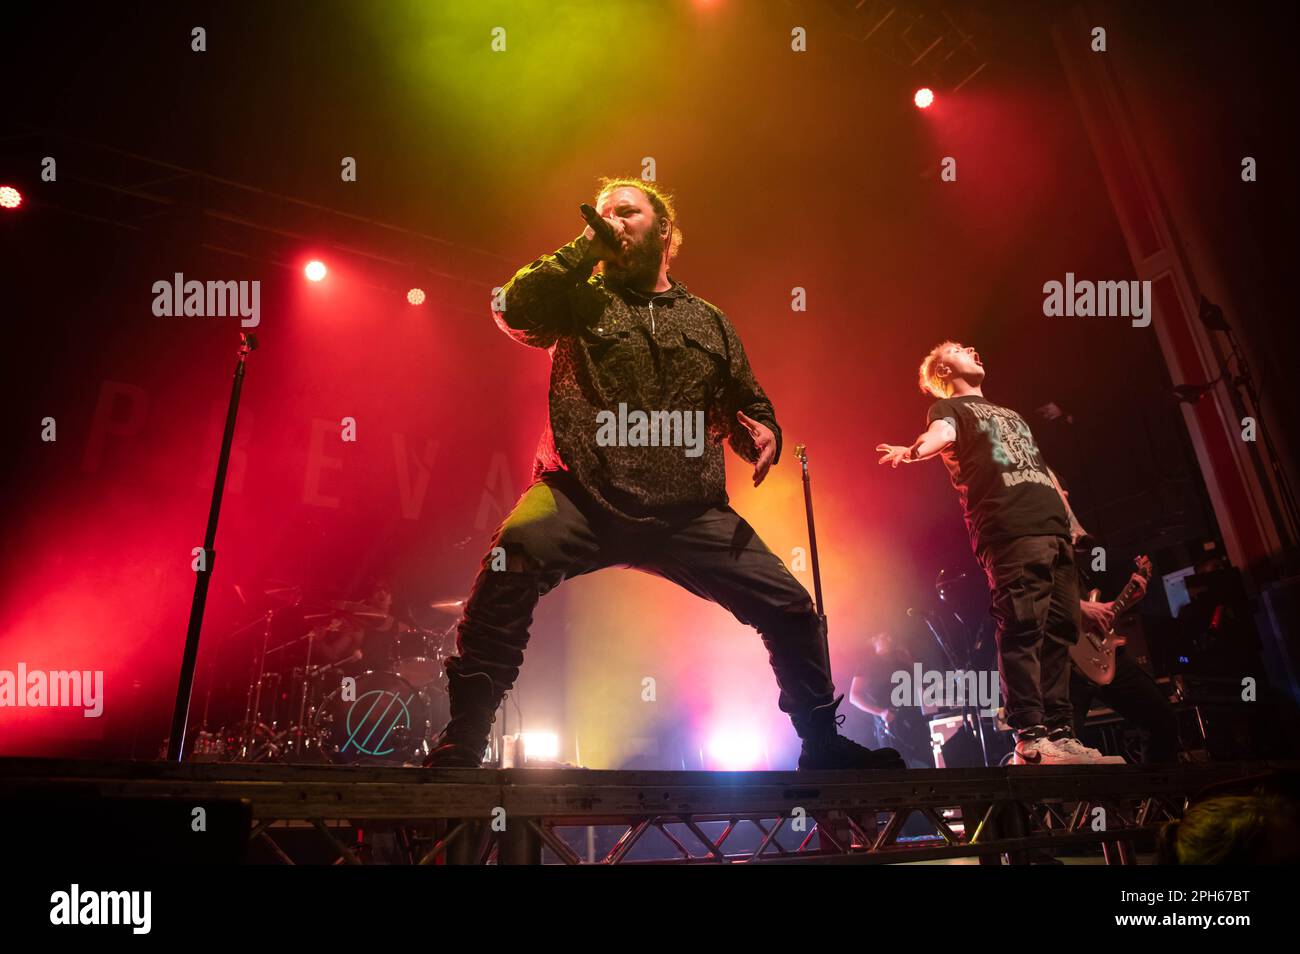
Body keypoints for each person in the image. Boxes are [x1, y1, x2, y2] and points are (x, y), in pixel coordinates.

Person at [423, 177, 902, 770]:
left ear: (665, 234)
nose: (611, 222)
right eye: (602, 215)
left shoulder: (710, 322)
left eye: (627, 212)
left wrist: (760, 428)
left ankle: (822, 745)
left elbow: (744, 398)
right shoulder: (580, 298)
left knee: (790, 607)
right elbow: (512, 308)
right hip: (581, 494)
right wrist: (580, 251)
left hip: (687, 511)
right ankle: (466, 737)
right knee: (513, 552)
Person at [876, 341, 1096, 765]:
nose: (973, 348)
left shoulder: (1011, 414)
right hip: (1011, 529)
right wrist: (913, 450)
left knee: (1060, 630)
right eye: (959, 349)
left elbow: (1043, 470)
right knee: (1023, 625)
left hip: (1052, 529)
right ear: (943, 371)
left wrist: (1073, 524)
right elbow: (938, 436)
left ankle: (1062, 731)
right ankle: (1031, 733)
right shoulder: (949, 411)